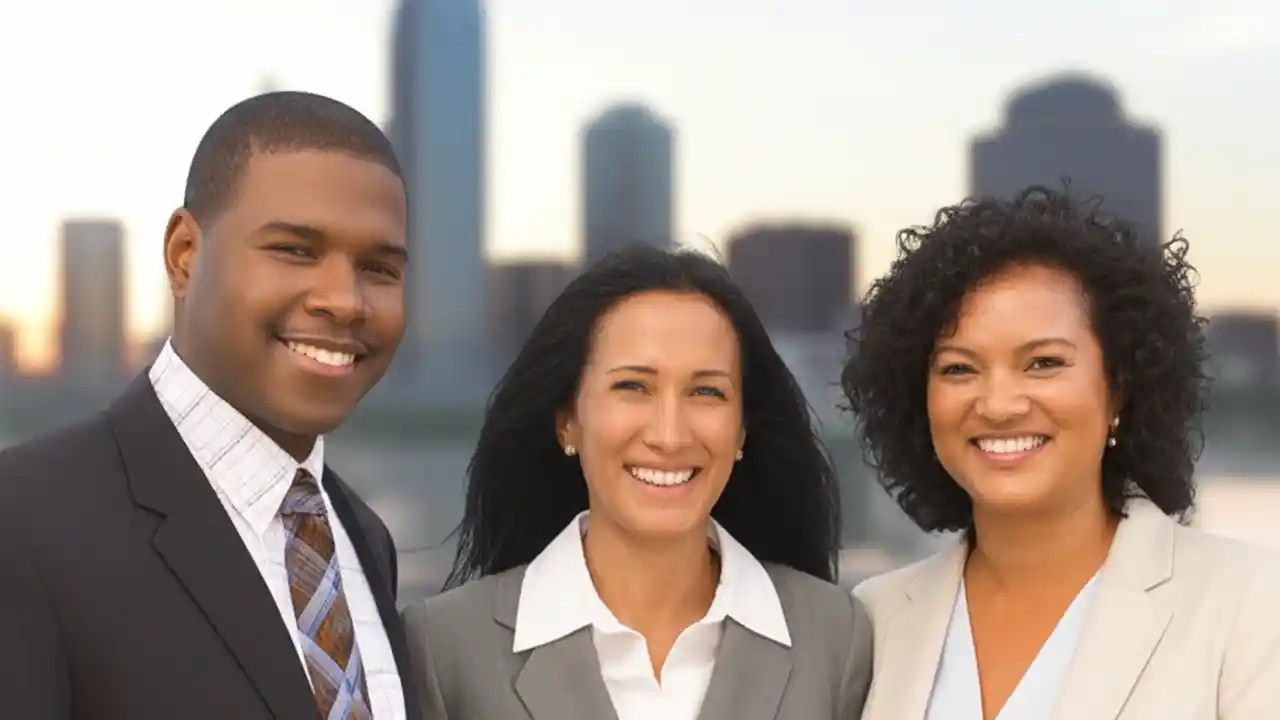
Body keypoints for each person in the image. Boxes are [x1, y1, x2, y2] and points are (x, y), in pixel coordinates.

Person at [0, 91, 421, 719]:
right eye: (294, 250)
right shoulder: (23, 522)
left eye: (379, 268)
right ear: (184, 256)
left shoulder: (363, 539)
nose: (345, 299)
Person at [842, 185, 1280, 719]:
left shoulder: (1250, 602)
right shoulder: (873, 619)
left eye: (1043, 363)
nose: (999, 404)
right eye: (959, 368)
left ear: (1119, 386)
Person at [401, 244, 873, 720]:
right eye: (633, 387)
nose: (669, 436)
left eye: (706, 391)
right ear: (567, 420)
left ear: (741, 431)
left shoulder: (837, 638)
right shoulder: (444, 648)